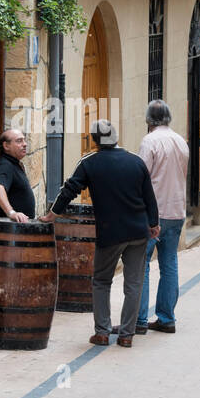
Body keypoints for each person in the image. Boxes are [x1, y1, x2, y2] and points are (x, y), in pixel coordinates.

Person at [42, 120, 159, 348]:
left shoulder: (90, 163)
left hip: (110, 233)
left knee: (102, 281)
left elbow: (70, 189)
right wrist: (153, 223)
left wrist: (52, 214)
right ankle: (126, 335)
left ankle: (102, 333)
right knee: (134, 284)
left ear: (95, 140)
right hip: (138, 231)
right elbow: (149, 196)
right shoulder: (136, 162)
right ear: (116, 138)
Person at [137, 100, 189, 335]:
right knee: (169, 264)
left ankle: (139, 319)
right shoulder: (181, 141)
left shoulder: (149, 142)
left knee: (142, 264)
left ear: (148, 120)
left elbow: (141, 177)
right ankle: (167, 318)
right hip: (176, 210)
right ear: (169, 118)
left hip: (153, 213)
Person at [0, 128, 35, 222]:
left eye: (24, 140)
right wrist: (11, 213)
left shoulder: (12, 163)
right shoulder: (4, 165)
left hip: (21, 229)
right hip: (11, 230)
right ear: (6, 146)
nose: (25, 144)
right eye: (19, 141)